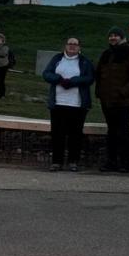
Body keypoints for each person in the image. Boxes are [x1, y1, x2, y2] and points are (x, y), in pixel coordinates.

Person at [42, 36, 94, 172]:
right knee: (57, 133)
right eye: (69, 44)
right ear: (65, 46)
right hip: (58, 103)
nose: (72, 46)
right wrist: (59, 80)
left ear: (79, 47)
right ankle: (56, 162)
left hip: (77, 104)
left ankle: (73, 161)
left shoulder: (84, 62)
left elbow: (89, 78)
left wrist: (74, 81)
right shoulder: (57, 59)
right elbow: (46, 74)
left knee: (75, 134)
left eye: (75, 44)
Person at [95, 27, 129, 172]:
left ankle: (124, 163)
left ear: (122, 38)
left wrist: (123, 92)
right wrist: (100, 93)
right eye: (111, 35)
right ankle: (111, 161)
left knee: (123, 132)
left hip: (124, 102)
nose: (113, 38)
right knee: (111, 132)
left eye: (116, 35)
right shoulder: (106, 54)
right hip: (107, 101)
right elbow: (99, 75)